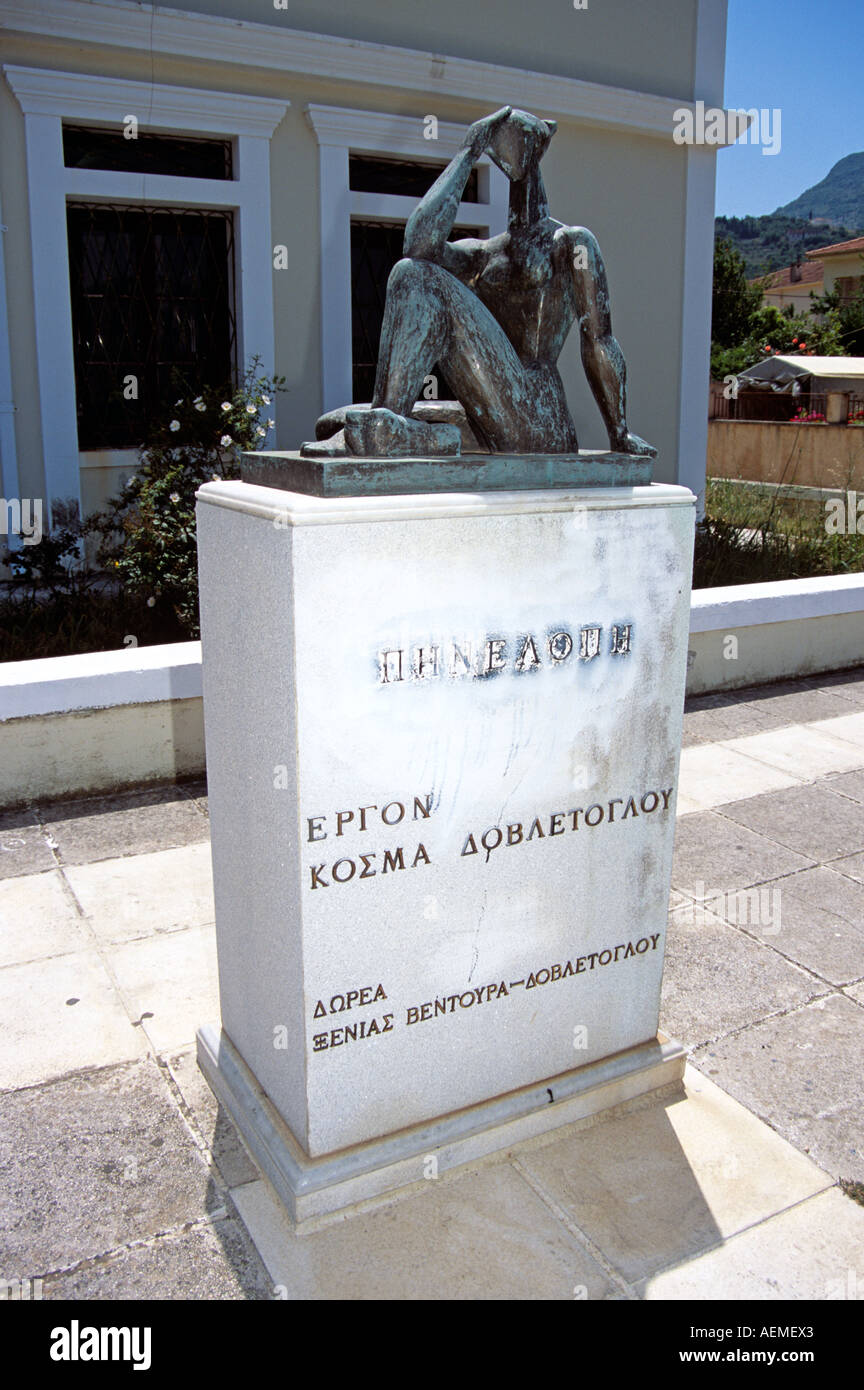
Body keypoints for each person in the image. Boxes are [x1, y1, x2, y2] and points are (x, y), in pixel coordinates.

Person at [306, 107, 655, 459]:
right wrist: (468, 151)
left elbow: (598, 339)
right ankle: (400, 431)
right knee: (334, 422)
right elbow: (418, 245)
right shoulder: (482, 255)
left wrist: (620, 432)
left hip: (537, 417)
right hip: (492, 412)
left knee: (416, 278)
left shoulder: (569, 244)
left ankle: (385, 429)